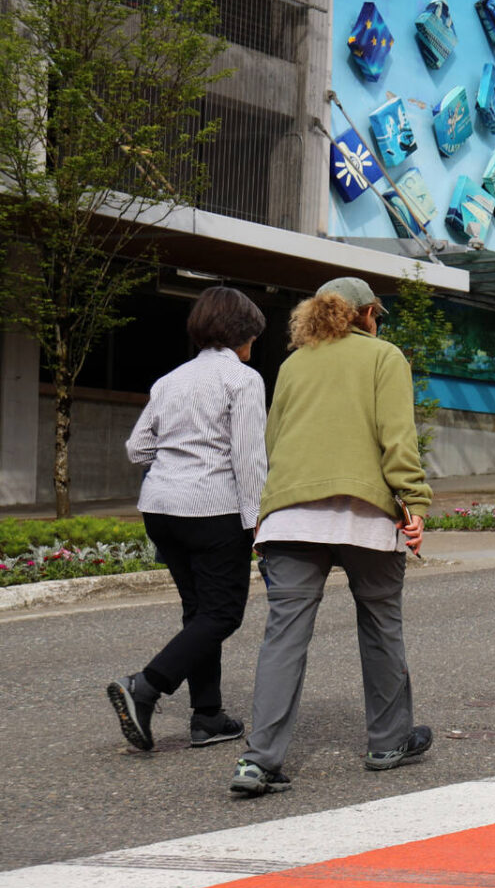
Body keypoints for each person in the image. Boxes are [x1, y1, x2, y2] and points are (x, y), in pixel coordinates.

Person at [228, 276, 433, 797]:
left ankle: (258, 760)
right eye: (377, 316)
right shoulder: (384, 357)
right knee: (381, 623)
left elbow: (275, 438)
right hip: (365, 512)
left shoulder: (294, 364)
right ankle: (388, 743)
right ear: (365, 315)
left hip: (291, 515)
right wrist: (415, 502)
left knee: (284, 635)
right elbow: (397, 438)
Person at [110, 287, 268, 752]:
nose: (252, 347)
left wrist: (177, 458)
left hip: (159, 508)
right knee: (222, 614)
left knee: (198, 613)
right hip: (213, 511)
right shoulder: (242, 379)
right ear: (242, 335)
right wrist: (258, 522)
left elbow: (136, 448)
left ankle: (208, 717)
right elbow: (249, 459)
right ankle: (146, 686)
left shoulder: (169, 381)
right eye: (253, 338)